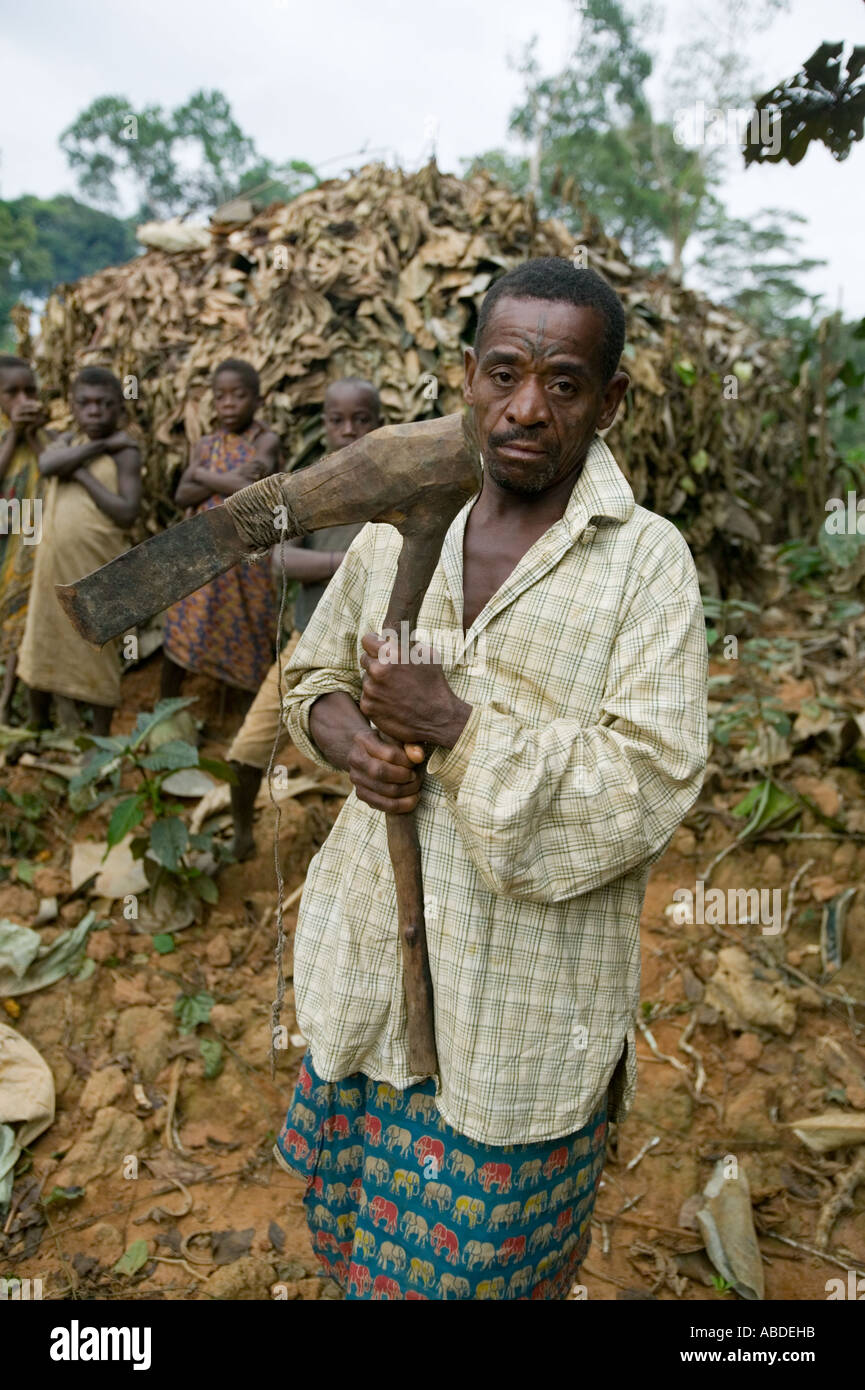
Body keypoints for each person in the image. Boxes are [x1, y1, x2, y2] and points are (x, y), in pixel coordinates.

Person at [274, 258, 708, 1300]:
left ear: (608, 402)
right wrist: (349, 739)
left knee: (488, 1272)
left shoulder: (644, 563)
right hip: (374, 968)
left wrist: (455, 729)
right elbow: (314, 674)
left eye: (562, 383)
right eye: (503, 371)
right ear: (467, 374)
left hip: (520, 1019)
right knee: (355, 1253)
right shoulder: (403, 529)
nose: (525, 407)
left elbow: (648, 781)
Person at [225, 378, 381, 859]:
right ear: (325, 424)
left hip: (380, 646)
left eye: (362, 419)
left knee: (380, 757)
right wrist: (356, 564)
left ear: (379, 420)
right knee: (251, 742)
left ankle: (362, 856)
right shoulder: (308, 485)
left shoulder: (396, 481)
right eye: (337, 421)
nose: (349, 430)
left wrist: (331, 569)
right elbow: (283, 562)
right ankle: (241, 834)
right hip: (310, 639)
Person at [17, 367, 141, 736]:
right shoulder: (69, 443)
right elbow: (47, 464)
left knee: (95, 644)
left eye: (105, 405)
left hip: (97, 570)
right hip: (52, 567)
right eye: (85, 404)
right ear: (72, 406)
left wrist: (83, 472)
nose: (95, 412)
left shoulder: (127, 452)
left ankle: (100, 735)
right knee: (43, 639)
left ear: (120, 408)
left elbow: (126, 513)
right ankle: (37, 722)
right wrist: (96, 450)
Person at [160, 359, 280, 707]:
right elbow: (182, 495)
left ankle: (245, 719)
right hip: (202, 551)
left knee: (249, 625)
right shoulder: (206, 444)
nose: (228, 404)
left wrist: (202, 475)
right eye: (220, 396)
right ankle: (164, 708)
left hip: (247, 554)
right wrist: (221, 479)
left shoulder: (265, 440)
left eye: (238, 396)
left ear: (259, 400)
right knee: (186, 622)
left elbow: (252, 487)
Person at [0, 356, 52, 723]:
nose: (23, 399)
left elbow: (54, 468)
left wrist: (30, 435)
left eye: (29, 391)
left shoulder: (47, 435)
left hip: (30, 540)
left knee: (24, 615)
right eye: (11, 393)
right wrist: (14, 435)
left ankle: (11, 702)